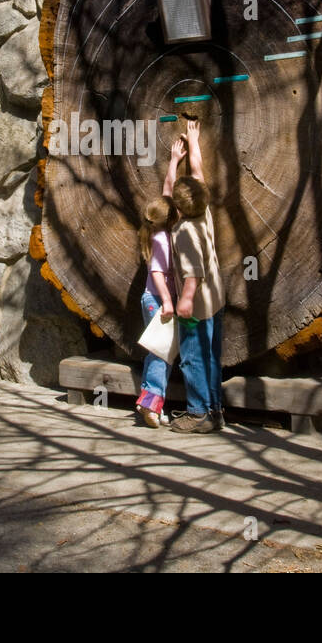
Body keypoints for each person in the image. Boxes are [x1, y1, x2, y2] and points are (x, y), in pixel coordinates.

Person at [169, 118, 225, 434]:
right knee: (212, 356)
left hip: (196, 306)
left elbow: (192, 273)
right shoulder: (203, 212)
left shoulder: (184, 233)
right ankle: (215, 409)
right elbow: (199, 176)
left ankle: (197, 412)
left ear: (177, 206)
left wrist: (185, 301)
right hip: (216, 300)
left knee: (192, 357)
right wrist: (193, 143)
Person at [133, 136, 186, 428]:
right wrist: (167, 300)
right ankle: (149, 405)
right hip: (158, 301)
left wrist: (174, 162)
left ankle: (153, 403)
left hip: (156, 300)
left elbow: (167, 193)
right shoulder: (164, 240)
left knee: (162, 351)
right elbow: (156, 273)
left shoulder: (157, 228)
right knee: (160, 353)